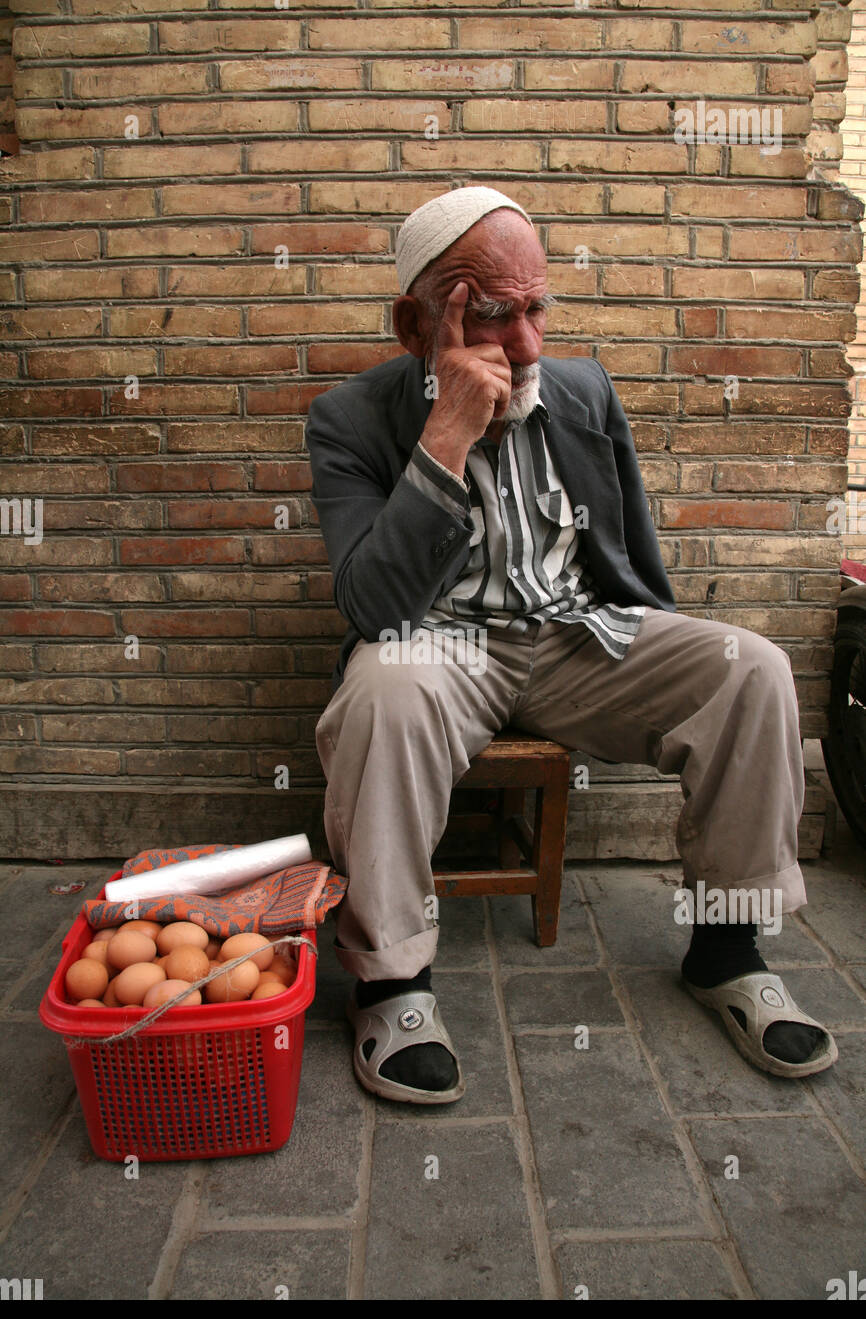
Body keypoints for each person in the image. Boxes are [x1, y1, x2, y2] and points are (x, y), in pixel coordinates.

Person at [306, 185, 837, 1104]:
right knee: (383, 688)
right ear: (414, 323)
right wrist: (443, 444)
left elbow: (629, 547)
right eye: (493, 317)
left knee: (748, 669)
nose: (525, 347)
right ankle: (391, 981)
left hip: (569, 636)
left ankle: (727, 947)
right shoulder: (351, 419)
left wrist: (657, 659)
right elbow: (373, 607)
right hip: (437, 650)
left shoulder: (584, 390)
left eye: (538, 308)